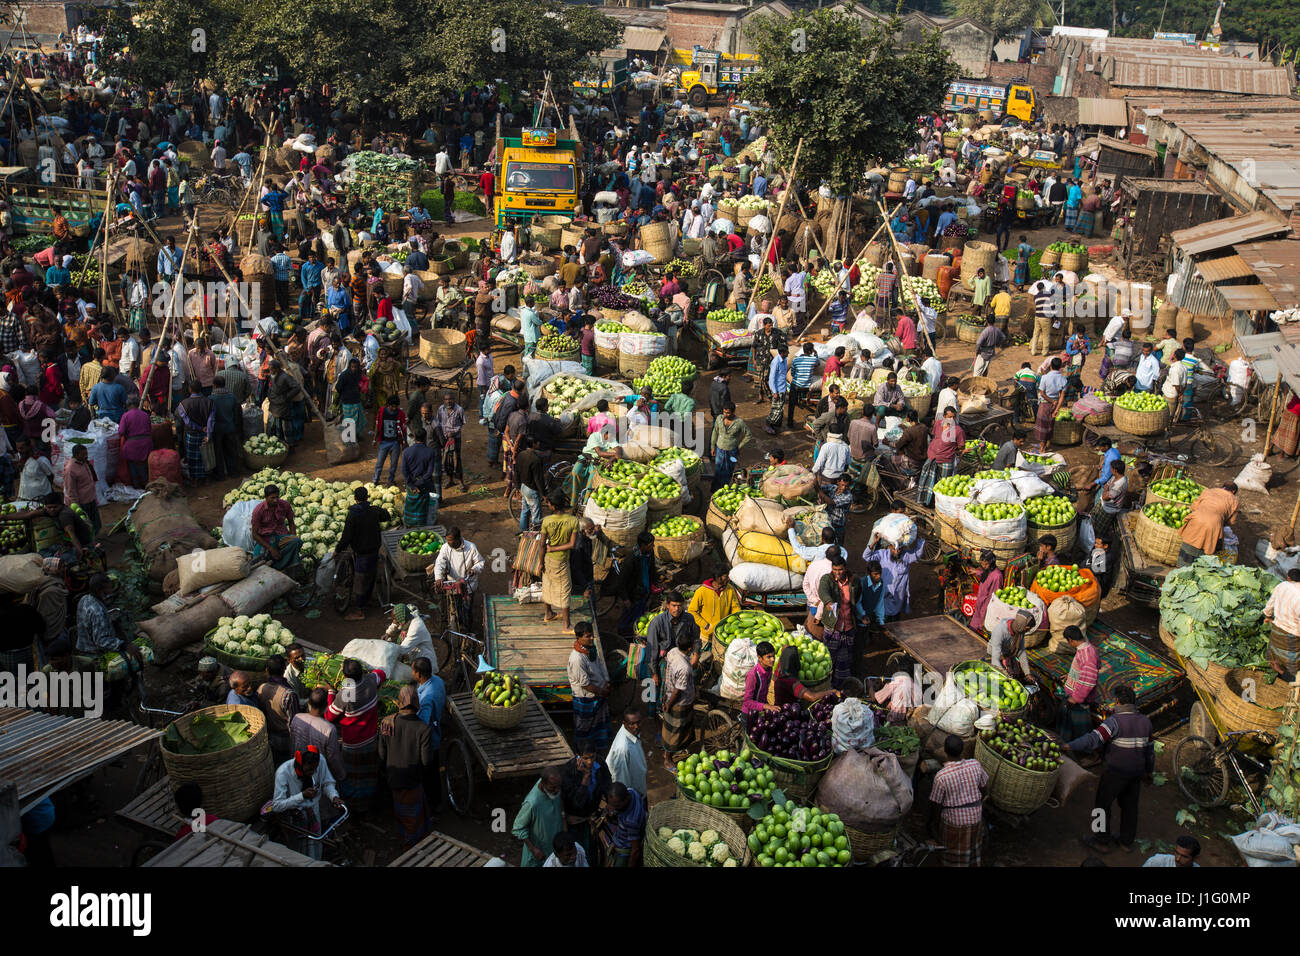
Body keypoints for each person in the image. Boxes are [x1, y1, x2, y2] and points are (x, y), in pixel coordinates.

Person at [1066, 684, 1153, 855]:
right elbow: (1149, 751)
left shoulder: (1114, 722)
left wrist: (1069, 745)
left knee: (1101, 805)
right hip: (1135, 773)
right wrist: (1148, 772)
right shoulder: (1145, 721)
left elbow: (1093, 740)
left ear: (1117, 702)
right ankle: (1126, 842)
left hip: (1116, 771)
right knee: (1130, 806)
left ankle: (1101, 840)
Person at [377, 683, 435, 847]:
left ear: (399, 702)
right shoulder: (424, 729)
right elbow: (426, 762)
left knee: (402, 813)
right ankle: (413, 845)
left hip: (394, 779)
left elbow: (381, 755)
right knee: (413, 817)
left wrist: (386, 772)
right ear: (417, 703)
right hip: (413, 782)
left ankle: (407, 839)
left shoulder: (387, 723)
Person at [326, 658, 387, 807]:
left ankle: (354, 805)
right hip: (371, 739)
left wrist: (330, 692)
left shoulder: (346, 695)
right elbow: (381, 673)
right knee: (369, 774)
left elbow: (329, 716)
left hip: (353, 743)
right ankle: (369, 803)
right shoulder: (371, 681)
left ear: (346, 677)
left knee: (352, 777)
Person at [929, 734, 989, 867]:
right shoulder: (975, 765)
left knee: (952, 851)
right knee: (971, 847)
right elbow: (985, 790)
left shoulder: (941, 776)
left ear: (944, 751)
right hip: (976, 816)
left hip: (954, 822)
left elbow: (936, 805)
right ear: (963, 750)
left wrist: (934, 825)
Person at [337, 486, 389, 620]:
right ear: (367, 498)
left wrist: (337, 550)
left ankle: (360, 611)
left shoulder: (353, 514)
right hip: (374, 550)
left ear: (355, 498)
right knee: (370, 576)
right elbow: (387, 515)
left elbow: (346, 536)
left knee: (360, 580)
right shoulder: (374, 511)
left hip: (362, 553)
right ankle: (367, 600)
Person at [816, 554, 861, 687]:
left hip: (848, 626)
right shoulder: (827, 579)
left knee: (845, 659)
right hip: (833, 626)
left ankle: (840, 686)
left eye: (840, 570)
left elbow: (857, 597)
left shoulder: (854, 580)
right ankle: (826, 684)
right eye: (835, 570)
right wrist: (828, 602)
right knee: (828, 658)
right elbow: (823, 591)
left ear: (845, 568)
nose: (837, 573)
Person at [568, 621, 611, 755]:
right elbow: (585, 684)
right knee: (584, 729)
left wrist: (606, 682)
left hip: (598, 694)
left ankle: (598, 752)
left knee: (598, 727)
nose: (591, 638)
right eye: (587, 636)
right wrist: (602, 691)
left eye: (591, 635)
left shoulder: (591, 650)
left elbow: (600, 665)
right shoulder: (577, 659)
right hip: (586, 698)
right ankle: (581, 754)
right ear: (578, 638)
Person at [541, 491, 580, 632]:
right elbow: (572, 545)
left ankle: (548, 613)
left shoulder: (546, 521)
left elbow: (541, 545)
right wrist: (554, 549)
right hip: (562, 561)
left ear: (553, 506)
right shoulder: (573, 521)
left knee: (547, 584)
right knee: (564, 590)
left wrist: (541, 562)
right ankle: (566, 625)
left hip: (548, 559)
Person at [290, 687, 347, 784]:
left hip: (299, 770)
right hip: (318, 776)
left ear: (308, 702)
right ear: (326, 706)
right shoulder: (328, 728)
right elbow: (333, 758)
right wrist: (341, 776)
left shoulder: (297, 718)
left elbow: (292, 743)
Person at [513, 767, 565, 867]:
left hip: (554, 848)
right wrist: (533, 849)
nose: (557, 790)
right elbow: (518, 828)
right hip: (539, 853)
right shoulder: (532, 803)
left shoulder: (554, 790)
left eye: (559, 787)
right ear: (543, 784)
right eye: (553, 787)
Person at [660, 629, 697, 771]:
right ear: (689, 648)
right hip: (678, 703)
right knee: (673, 733)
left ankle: (679, 749)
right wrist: (669, 704)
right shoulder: (684, 668)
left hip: (671, 696)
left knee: (683, 729)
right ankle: (668, 759)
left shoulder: (673, 651)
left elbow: (668, 672)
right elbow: (678, 690)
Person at [1178, 481, 1238, 566]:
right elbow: (1232, 521)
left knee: (1189, 544)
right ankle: (1196, 570)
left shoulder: (1209, 491)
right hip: (1213, 525)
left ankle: (1181, 567)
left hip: (1196, 519)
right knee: (1206, 547)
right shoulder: (1234, 500)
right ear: (1233, 491)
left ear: (1223, 487)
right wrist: (1222, 520)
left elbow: (1194, 506)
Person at [864, 532, 919, 620]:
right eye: (894, 549)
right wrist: (874, 542)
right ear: (889, 547)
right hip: (885, 593)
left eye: (899, 549)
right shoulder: (882, 554)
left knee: (896, 617)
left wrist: (918, 539)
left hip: (898, 594)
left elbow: (918, 554)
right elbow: (866, 556)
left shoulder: (906, 556)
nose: (896, 552)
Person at [258, 654, 300, 766]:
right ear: (284, 668)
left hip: (269, 736)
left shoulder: (261, 688)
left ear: (267, 670)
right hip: (285, 738)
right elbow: (293, 723)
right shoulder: (288, 694)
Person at [1058, 625, 1098, 741]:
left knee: (1081, 727)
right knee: (1068, 720)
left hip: (1079, 698)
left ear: (1070, 640)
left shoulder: (1087, 655)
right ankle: (1068, 744)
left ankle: (1086, 751)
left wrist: (1075, 698)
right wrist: (1070, 675)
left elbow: (1089, 681)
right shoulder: (1087, 649)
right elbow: (1085, 670)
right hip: (1074, 694)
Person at [250, 483, 302, 572]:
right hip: (265, 539)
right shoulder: (258, 510)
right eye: (272, 498)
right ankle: (277, 564)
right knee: (258, 560)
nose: (275, 500)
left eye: (277, 497)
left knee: (297, 542)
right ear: (266, 497)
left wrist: (293, 535)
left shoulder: (285, 505)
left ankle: (282, 566)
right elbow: (254, 534)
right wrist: (271, 549)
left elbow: (291, 522)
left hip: (281, 535)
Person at [1264, 567, 1300, 680]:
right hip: (1294, 635)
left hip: (1277, 629)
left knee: (1275, 655)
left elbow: (1270, 604)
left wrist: (1268, 616)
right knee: (1292, 663)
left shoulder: (1282, 585)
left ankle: (1277, 675)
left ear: (1288, 577)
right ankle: (1288, 679)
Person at [710, 402, 751, 490]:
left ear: (733, 412)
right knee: (718, 469)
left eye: (728, 413)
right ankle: (715, 488)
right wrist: (712, 446)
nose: (726, 414)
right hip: (719, 449)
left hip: (732, 451)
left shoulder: (739, 423)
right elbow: (715, 432)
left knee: (728, 471)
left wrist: (740, 446)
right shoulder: (719, 418)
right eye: (724, 412)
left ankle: (723, 489)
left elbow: (748, 435)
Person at [606, 781, 648, 866]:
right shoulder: (632, 792)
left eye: (617, 806)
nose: (614, 809)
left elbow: (635, 850)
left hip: (625, 849)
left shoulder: (631, 821)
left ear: (626, 799)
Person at [62, 444, 101, 534]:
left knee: (96, 524)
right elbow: (70, 490)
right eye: (83, 454)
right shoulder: (70, 469)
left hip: (90, 499)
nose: (86, 456)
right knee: (86, 526)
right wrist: (76, 505)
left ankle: (95, 539)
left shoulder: (84, 463)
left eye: (86, 454)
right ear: (76, 455)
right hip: (82, 502)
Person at [987, 609, 1033, 681]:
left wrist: (1027, 673)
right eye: (1028, 628)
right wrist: (1004, 675)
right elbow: (995, 658)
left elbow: (1021, 651)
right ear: (1023, 625)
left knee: (1016, 673)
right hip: (996, 653)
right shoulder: (1000, 630)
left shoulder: (1020, 630)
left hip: (1008, 652)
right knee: (1007, 675)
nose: (1028, 630)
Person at [372, 392, 407, 486]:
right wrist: (374, 439)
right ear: (388, 405)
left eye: (396, 406)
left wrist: (404, 442)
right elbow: (377, 426)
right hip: (384, 442)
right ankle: (375, 479)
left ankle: (390, 480)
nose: (394, 408)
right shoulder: (382, 411)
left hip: (395, 442)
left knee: (394, 464)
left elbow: (403, 429)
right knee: (379, 463)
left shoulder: (401, 414)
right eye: (392, 406)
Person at [970, 550, 1003, 631]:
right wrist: (976, 571)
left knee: (980, 627)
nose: (984, 566)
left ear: (992, 563)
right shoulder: (988, 570)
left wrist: (985, 615)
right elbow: (985, 574)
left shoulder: (997, 576)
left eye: (986, 564)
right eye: (982, 563)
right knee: (974, 623)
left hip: (986, 606)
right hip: (980, 601)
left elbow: (993, 597)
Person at [764, 343, 789, 435]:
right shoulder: (776, 362)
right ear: (782, 353)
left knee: (780, 408)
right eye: (787, 352)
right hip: (777, 390)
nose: (788, 353)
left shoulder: (785, 360)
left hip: (782, 388)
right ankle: (768, 424)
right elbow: (772, 378)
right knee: (776, 409)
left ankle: (775, 425)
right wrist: (774, 391)